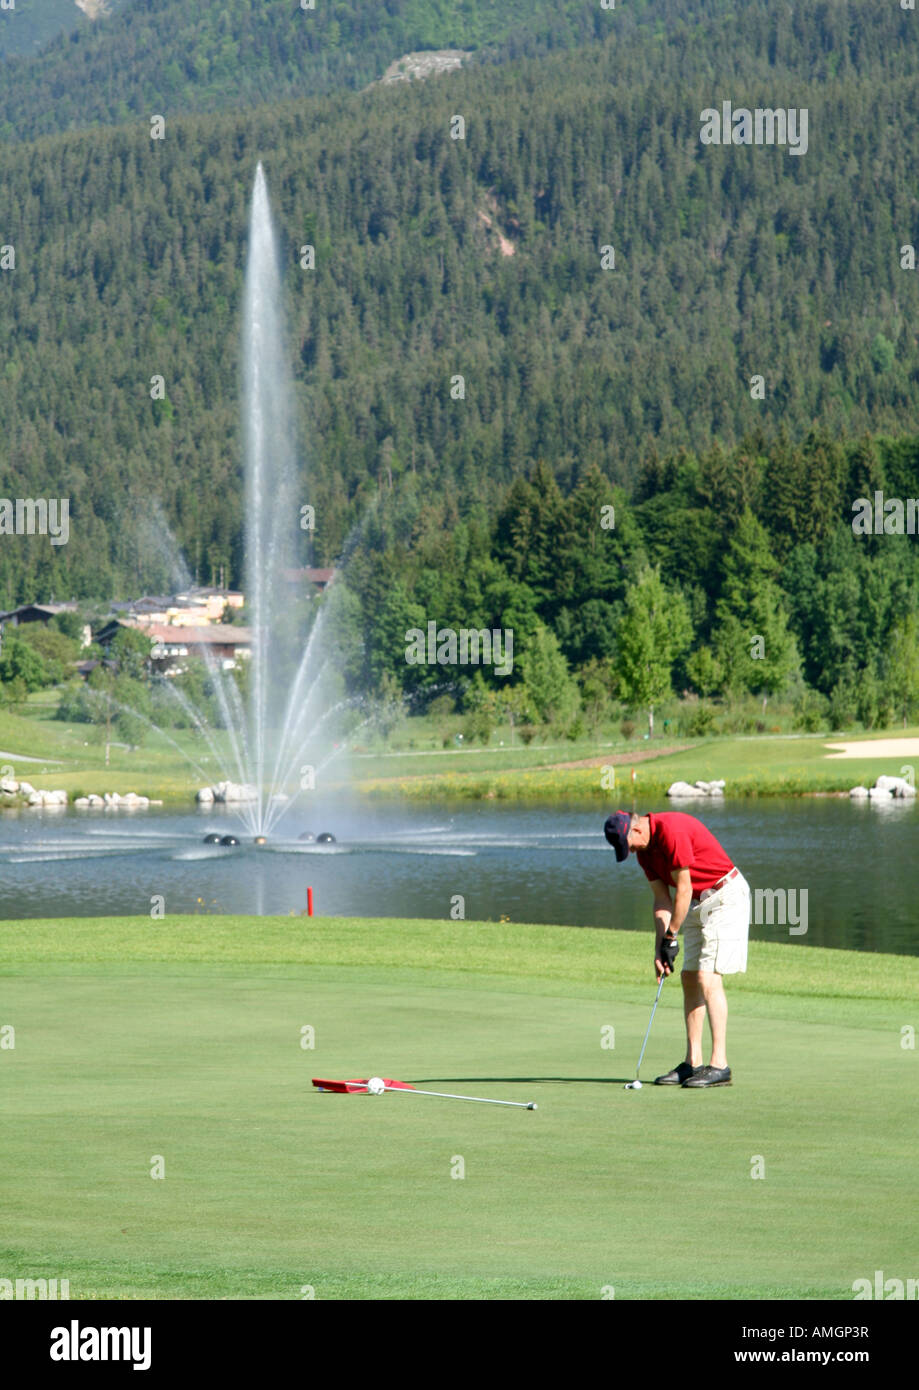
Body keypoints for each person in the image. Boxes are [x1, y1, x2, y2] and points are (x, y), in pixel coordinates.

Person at [604, 808, 751, 1088]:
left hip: (724, 896)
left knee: (708, 977)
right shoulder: (645, 852)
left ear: (635, 830)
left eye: (629, 845)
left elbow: (683, 888)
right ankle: (692, 1062)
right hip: (697, 903)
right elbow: (662, 899)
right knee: (689, 976)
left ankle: (720, 1064)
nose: (632, 852)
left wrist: (672, 934)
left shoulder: (671, 830)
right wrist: (661, 945)